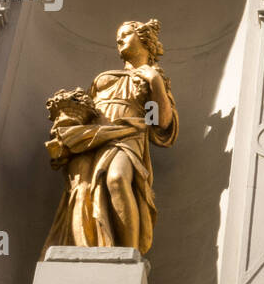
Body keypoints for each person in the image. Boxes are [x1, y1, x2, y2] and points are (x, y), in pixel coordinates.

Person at [41, 19, 178, 256]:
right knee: (80, 188)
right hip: (91, 137)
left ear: (144, 38)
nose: (119, 40)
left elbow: (161, 122)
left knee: (116, 179)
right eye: (118, 36)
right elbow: (89, 109)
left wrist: (154, 80)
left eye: (126, 34)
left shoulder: (153, 76)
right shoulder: (105, 76)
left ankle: (128, 254)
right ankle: (82, 250)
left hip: (127, 134)